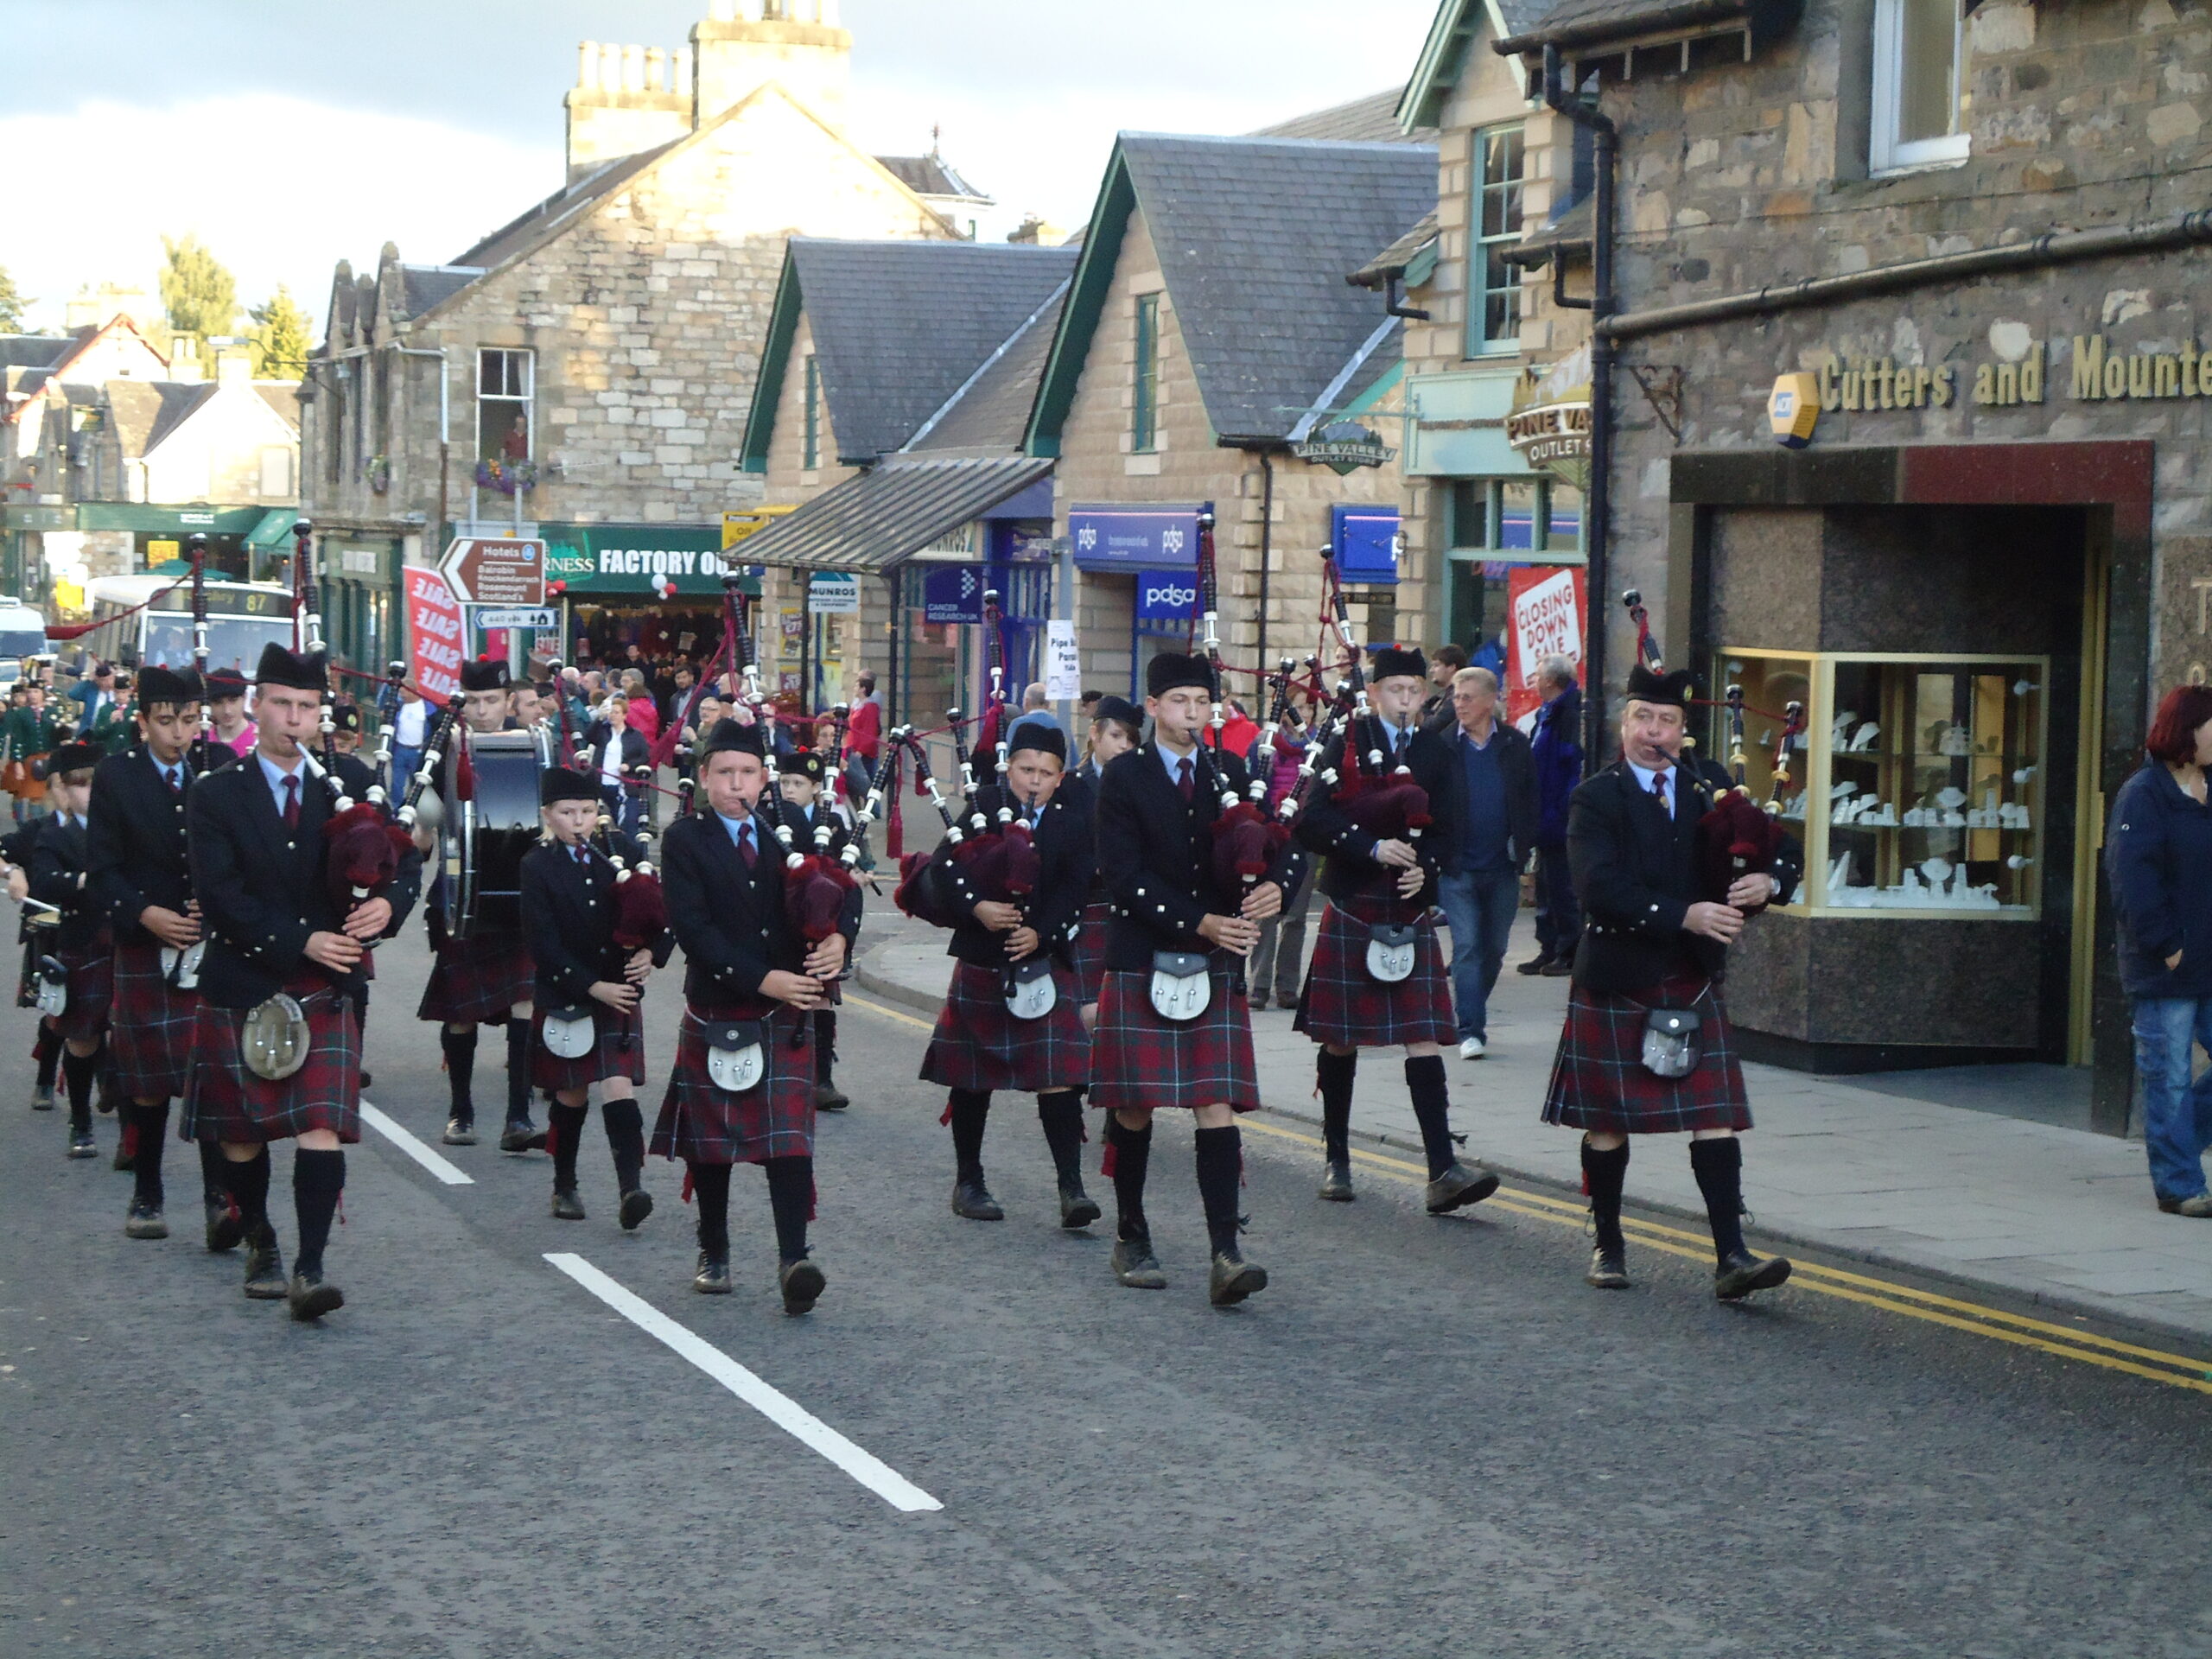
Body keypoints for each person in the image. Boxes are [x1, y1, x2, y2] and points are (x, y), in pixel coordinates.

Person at [1541, 661, 1798, 1299]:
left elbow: (1776, 846)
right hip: (1619, 975)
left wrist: (1769, 881)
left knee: (1713, 1117)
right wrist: (1683, 913)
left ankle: (1732, 1254)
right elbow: (1597, 889)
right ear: (1623, 723)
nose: (1654, 732)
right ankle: (1608, 1242)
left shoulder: (1709, 784)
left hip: (1691, 977)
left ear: (1685, 731)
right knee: (1608, 1123)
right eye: (1643, 718)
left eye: (1668, 722)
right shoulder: (1596, 797)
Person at [182, 642, 423, 1319]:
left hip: (322, 987)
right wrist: (301, 937)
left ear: (322, 715)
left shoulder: (348, 784)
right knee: (242, 1135)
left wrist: (389, 906)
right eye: (281, 704)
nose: (294, 718)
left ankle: (310, 1267)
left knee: (321, 1124)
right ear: (256, 707)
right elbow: (220, 894)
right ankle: (260, 1237)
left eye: (307, 707)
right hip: (243, 980)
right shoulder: (215, 794)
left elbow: (403, 864)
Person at [1090, 654, 1304, 1304]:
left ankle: (1226, 1252)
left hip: (1214, 964)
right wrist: (1203, 921)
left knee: (1214, 1104)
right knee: (1135, 1105)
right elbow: (1123, 879)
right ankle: (1131, 1232)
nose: (1192, 713)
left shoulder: (1232, 773)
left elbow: (1281, 845)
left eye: (1201, 702)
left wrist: (1275, 889)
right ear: (1152, 707)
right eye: (1179, 701)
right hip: (1142, 957)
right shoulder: (1122, 779)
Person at [1292, 647, 1500, 1213]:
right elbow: (1311, 818)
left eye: (1415, 690)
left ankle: (1442, 1168)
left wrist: (1426, 869)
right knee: (1340, 1037)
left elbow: (1451, 828)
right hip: (1357, 901)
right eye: (1396, 690)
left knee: (1424, 1036)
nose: (1407, 700)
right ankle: (1337, 1157)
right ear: (1377, 692)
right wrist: (1371, 846)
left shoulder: (1435, 749)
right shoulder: (1347, 739)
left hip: (1406, 911)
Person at [652, 720, 842, 1307]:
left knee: (788, 1145)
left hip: (782, 1015)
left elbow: (829, 898)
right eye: (725, 773)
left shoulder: (789, 835)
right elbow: (695, 930)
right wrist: (766, 978)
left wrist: (839, 943)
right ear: (704, 777)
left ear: (764, 779)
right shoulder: (685, 840)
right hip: (722, 1005)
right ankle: (714, 1248)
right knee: (714, 1146)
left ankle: (794, 1259)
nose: (737, 784)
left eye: (748, 773)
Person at [917, 724, 1098, 1226]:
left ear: (1061, 777)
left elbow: (1077, 885)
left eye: (1045, 773)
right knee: (972, 1080)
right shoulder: (982, 806)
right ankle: (969, 1181)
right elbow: (942, 868)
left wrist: (1041, 932)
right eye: (1025, 770)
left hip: (1044, 960)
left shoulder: (1074, 819)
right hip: (983, 958)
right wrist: (978, 907)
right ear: (1008, 768)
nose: (1033, 782)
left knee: (1060, 1076)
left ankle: (1072, 1188)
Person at [87, 665, 239, 1243]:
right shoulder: (115, 776)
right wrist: (149, 915)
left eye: (191, 720)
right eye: (168, 722)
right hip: (145, 944)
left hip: (210, 945)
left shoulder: (219, 767)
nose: (181, 733)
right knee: (148, 1081)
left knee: (211, 1074)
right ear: (143, 720)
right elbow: (102, 870)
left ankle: (218, 1199)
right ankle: (147, 1193)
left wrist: (217, 909)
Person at [519, 767, 672, 1226]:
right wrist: (590, 986)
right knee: (570, 1094)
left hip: (618, 990)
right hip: (568, 990)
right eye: (567, 813)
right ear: (548, 815)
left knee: (618, 1084)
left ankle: (631, 1188)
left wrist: (652, 951)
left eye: (587, 811)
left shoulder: (622, 850)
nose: (579, 821)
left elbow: (660, 912)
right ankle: (564, 1185)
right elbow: (542, 943)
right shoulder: (537, 865)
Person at [416, 658, 546, 1152]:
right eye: (472, 702)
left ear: (509, 702)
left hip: (517, 893)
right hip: (461, 891)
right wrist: (420, 838)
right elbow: (425, 830)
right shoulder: (442, 750)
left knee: (524, 1002)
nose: (482, 711)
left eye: (491, 701)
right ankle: (461, 1110)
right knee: (461, 1012)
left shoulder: (530, 749)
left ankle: (518, 1114)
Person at [2107, 683, 2212, 1217]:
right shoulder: (2143, 793)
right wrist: (2167, 946)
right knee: (2168, 1074)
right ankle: (2179, 1186)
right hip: (2167, 965)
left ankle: (2179, 1146)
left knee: (2176, 1086)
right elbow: (2131, 880)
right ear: (2188, 730)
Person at [1434, 667, 1538, 1058]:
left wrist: (1526, 849)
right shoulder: (1443, 745)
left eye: (1468, 697)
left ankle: (1469, 1002)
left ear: (1491, 701)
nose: (1459, 704)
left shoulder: (1514, 744)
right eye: (1456, 697)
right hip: (1457, 868)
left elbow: (1530, 799)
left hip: (1502, 866)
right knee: (1467, 948)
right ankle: (1470, 1029)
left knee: (1494, 950)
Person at [29, 741, 113, 1160]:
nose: (90, 793)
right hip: (81, 939)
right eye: (81, 785)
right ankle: (80, 1119)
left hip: (126, 939)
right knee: (82, 1038)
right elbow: (43, 880)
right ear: (65, 788)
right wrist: (80, 881)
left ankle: (128, 1112)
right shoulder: (53, 834)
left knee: (131, 1036)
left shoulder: (121, 826)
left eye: (97, 784)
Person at [773, 748, 858, 1112]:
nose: (790, 790)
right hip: (781, 919)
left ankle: (821, 1079)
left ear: (814, 788)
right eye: (785, 782)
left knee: (821, 996)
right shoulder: (770, 818)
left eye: (798, 784)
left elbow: (847, 875)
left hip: (822, 923)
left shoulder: (833, 825)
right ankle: (781, 1073)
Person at [1062, 692, 1141, 1030]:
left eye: (1131, 738)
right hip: (1087, 908)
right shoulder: (1071, 787)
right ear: (1094, 735)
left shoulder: (1144, 786)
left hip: (1131, 910)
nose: (1124, 745)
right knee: (1088, 1012)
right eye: (1116, 736)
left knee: (1124, 1011)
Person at [1519, 656, 1585, 977]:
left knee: (1561, 886)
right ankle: (1548, 947)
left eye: (1539, 675)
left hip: (1557, 816)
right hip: (1543, 814)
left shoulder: (1569, 714)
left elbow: (1571, 767)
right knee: (1545, 884)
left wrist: (1561, 810)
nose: (1534, 680)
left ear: (1549, 681)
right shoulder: (1549, 713)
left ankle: (1567, 950)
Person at [1248, 701, 1316, 1011]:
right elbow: (1252, 784)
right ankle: (1259, 984)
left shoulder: (1318, 743)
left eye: (1308, 707)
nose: (1302, 712)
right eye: (1296, 706)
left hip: (1303, 833)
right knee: (1265, 913)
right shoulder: (1264, 741)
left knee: (1296, 916)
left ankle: (1288, 985)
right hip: (1270, 832)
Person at [586, 691, 652, 836]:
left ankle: (632, 854)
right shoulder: (603, 732)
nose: (612, 715)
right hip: (603, 784)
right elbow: (588, 736)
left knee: (628, 823)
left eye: (616, 712)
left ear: (624, 715)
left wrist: (630, 765)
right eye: (610, 712)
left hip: (624, 786)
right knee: (607, 823)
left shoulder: (635, 735)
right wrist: (599, 718)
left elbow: (645, 756)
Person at [3, 680, 60, 823]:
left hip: (47, 758)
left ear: (43, 694)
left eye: (36, 692)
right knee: (20, 792)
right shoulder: (21, 713)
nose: (32, 695)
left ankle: (35, 828)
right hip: (28, 758)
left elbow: (59, 735)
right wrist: (17, 763)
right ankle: (21, 824)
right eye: (30, 692)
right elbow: (17, 739)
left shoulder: (52, 712)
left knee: (38, 796)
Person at [389, 683, 429, 801]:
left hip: (417, 751)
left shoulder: (427, 707)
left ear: (412, 691)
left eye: (403, 692)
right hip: (400, 749)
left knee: (416, 783)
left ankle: (412, 806)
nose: (401, 696)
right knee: (397, 783)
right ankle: (396, 809)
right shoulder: (399, 706)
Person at [206, 670, 257, 759]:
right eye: (218, 703)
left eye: (233, 700)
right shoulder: (201, 743)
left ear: (245, 697)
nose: (227, 711)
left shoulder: (260, 742)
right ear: (210, 705)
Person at [1419, 644, 1469, 729]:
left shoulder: (1458, 696)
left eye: (1436, 665)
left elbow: (1433, 726)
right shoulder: (1443, 695)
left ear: (1452, 667)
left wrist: (1421, 716)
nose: (1431, 670)